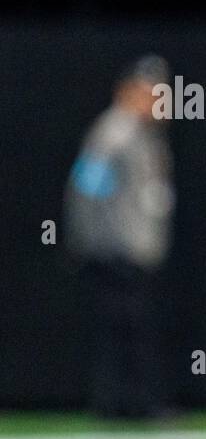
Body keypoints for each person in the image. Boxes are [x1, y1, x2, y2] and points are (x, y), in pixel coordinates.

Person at [65, 55, 174, 419]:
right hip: (116, 253)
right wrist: (95, 243)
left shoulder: (145, 136)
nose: (159, 102)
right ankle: (127, 405)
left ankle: (130, 404)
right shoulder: (115, 133)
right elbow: (85, 187)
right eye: (150, 94)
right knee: (124, 331)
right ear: (127, 92)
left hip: (134, 252)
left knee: (133, 329)